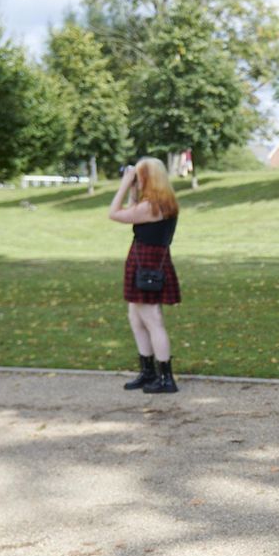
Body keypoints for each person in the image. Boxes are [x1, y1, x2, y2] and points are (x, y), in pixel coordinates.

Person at [109, 157, 181, 394]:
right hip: (148, 262)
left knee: (151, 319)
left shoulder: (152, 206)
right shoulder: (160, 202)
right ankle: (148, 372)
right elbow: (133, 212)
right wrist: (133, 188)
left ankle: (165, 378)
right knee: (136, 317)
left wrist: (124, 183)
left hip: (145, 263)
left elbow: (115, 213)